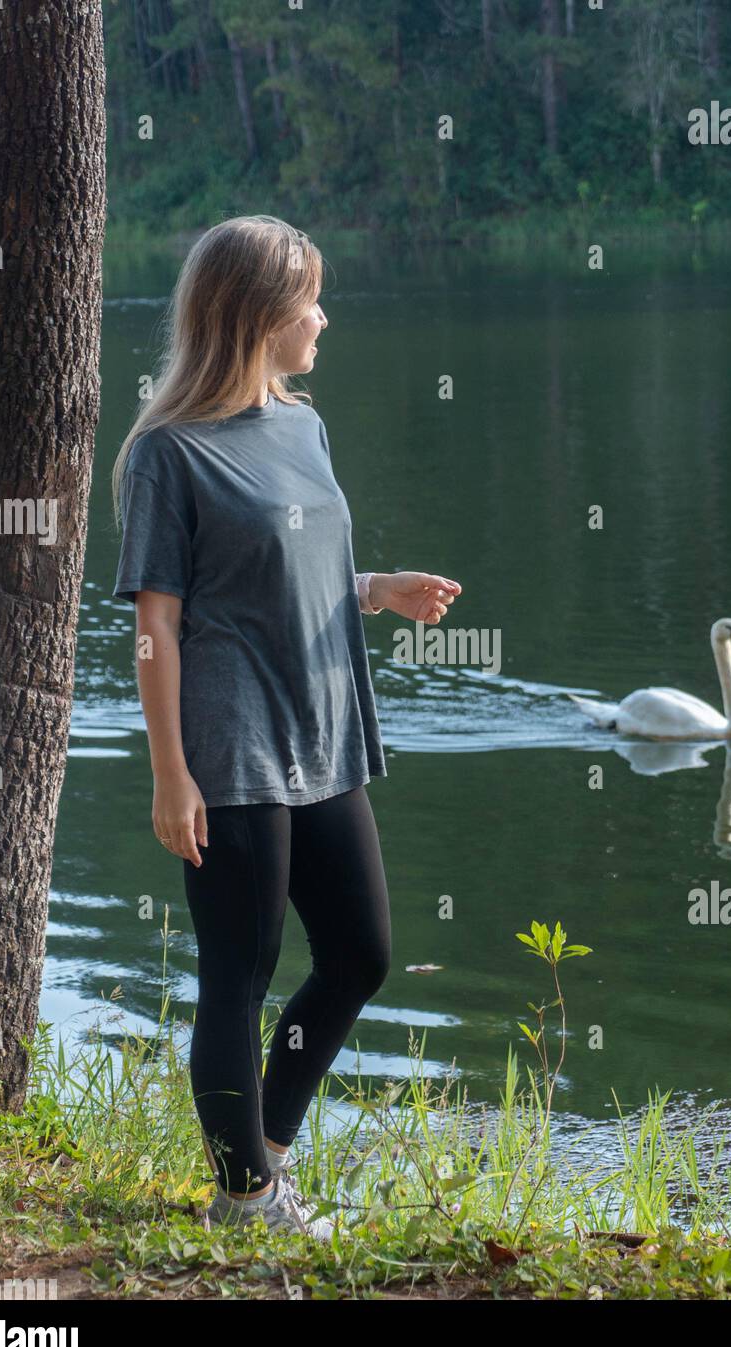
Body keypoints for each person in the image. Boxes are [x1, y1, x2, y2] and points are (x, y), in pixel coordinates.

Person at [112, 214, 462, 1238]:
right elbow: (159, 623)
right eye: (309, 298)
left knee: (359, 952)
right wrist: (170, 772)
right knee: (240, 971)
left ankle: (263, 1151)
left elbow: (275, 575)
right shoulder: (166, 454)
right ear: (261, 314)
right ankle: (247, 1198)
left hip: (322, 730)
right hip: (227, 745)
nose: (323, 315)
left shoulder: (302, 426)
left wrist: (373, 587)